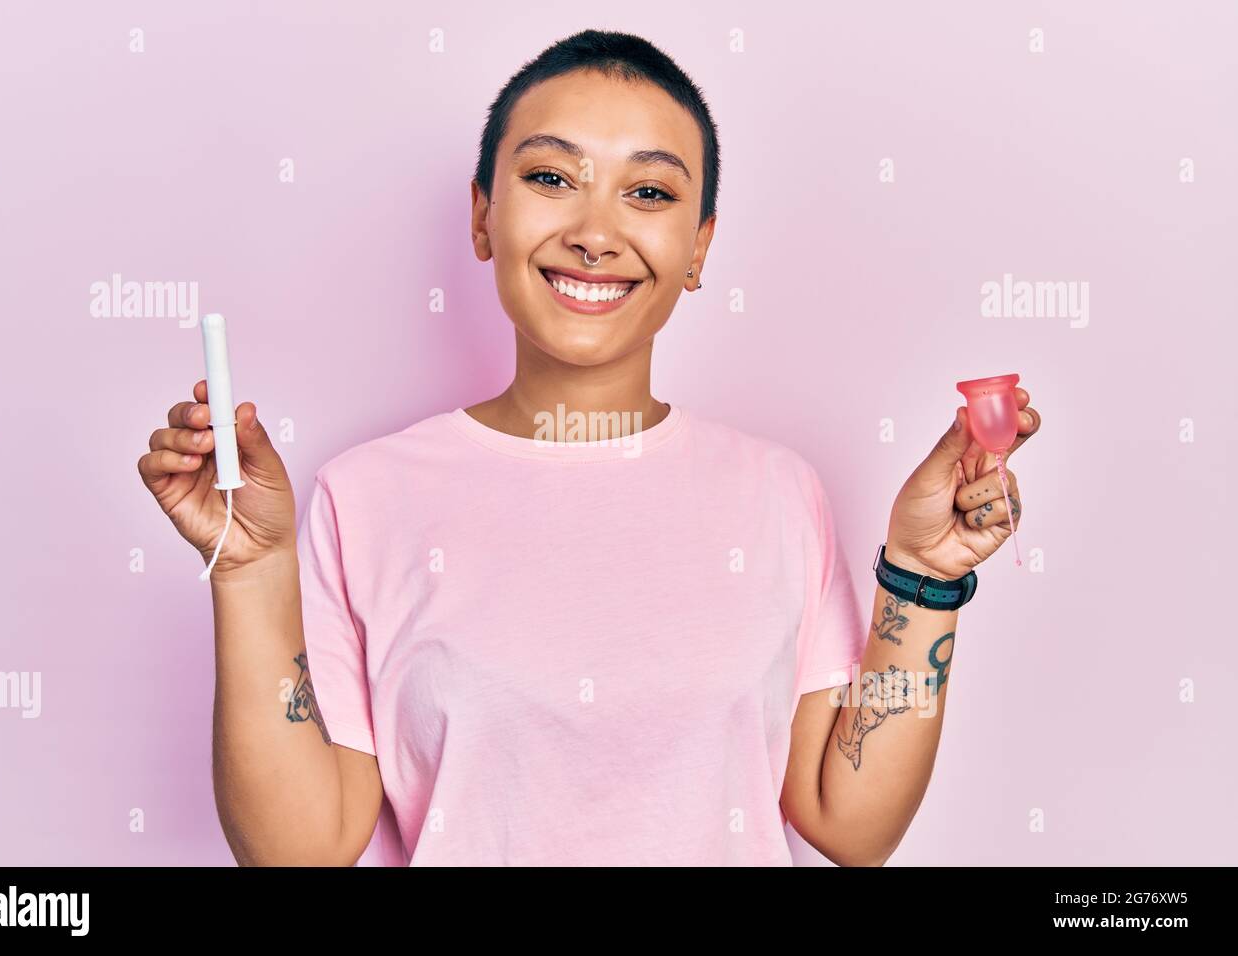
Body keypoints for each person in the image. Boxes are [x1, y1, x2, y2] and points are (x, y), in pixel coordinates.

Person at [137, 29, 1041, 866]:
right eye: (551, 178)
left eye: (648, 192)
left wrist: (922, 577)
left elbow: (853, 822)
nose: (595, 233)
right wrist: (248, 571)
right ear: (483, 217)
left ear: (699, 248)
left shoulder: (779, 494)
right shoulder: (363, 497)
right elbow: (298, 848)